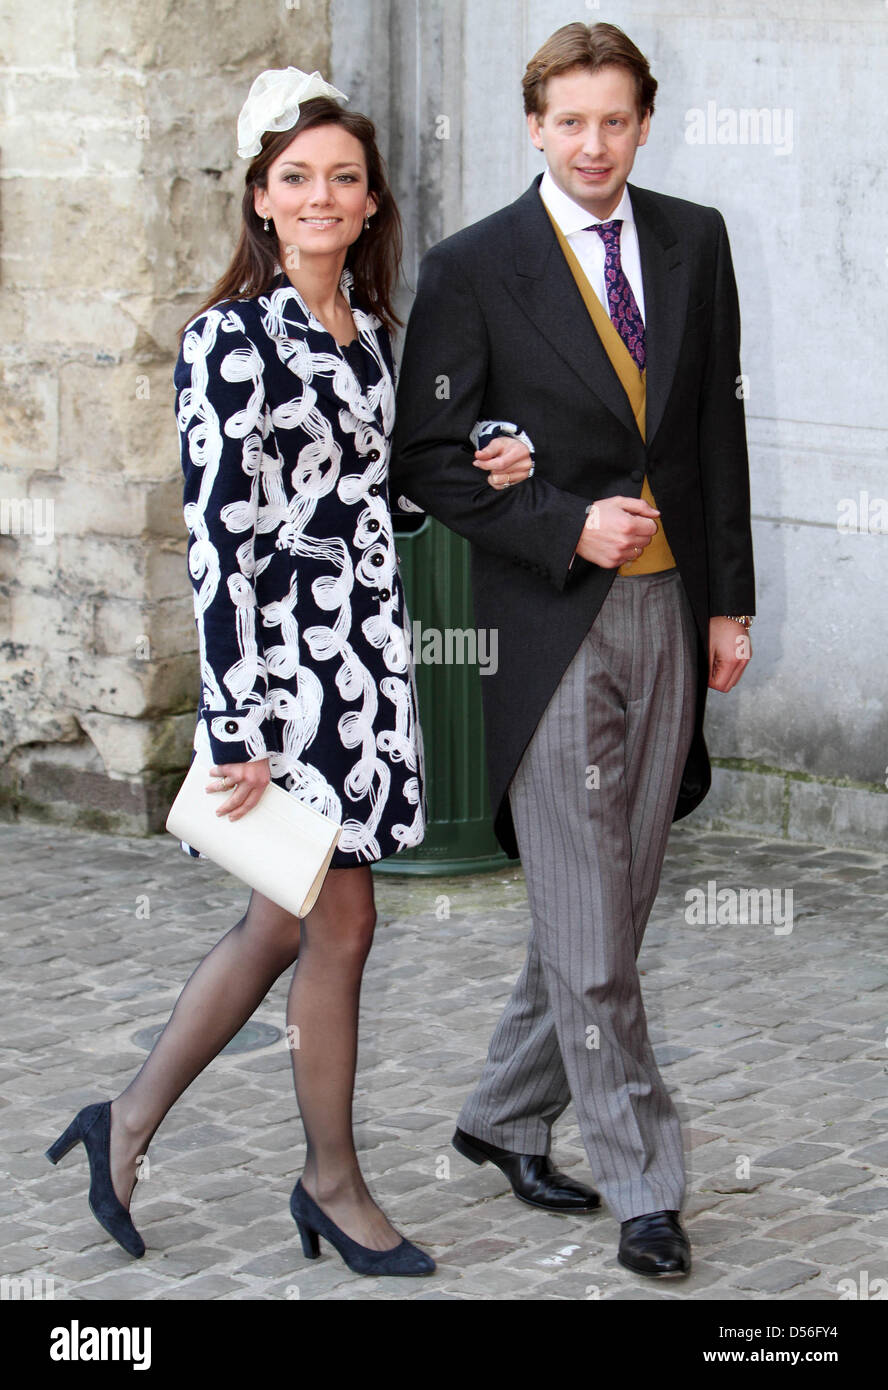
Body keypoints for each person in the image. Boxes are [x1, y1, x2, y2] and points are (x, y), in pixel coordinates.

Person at [44, 68, 532, 1279]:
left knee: (282, 920)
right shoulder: (228, 340)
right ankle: (332, 1181)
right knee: (342, 919)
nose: (322, 197)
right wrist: (233, 716)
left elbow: (390, 487)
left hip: (367, 666)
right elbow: (217, 536)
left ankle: (127, 1124)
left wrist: (487, 454)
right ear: (262, 201)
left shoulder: (375, 340)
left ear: (371, 207)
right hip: (281, 681)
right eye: (297, 179)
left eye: (344, 180)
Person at [390, 22, 755, 1278]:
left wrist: (730, 604)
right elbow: (428, 462)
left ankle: (498, 1113)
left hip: (669, 612)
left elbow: (714, 428)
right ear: (532, 125)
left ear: (644, 123)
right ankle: (644, 1180)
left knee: (611, 907)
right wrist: (563, 521)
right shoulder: (474, 266)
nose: (594, 144)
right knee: (595, 929)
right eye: (571, 121)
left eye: (616, 120)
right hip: (542, 627)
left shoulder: (695, 239)